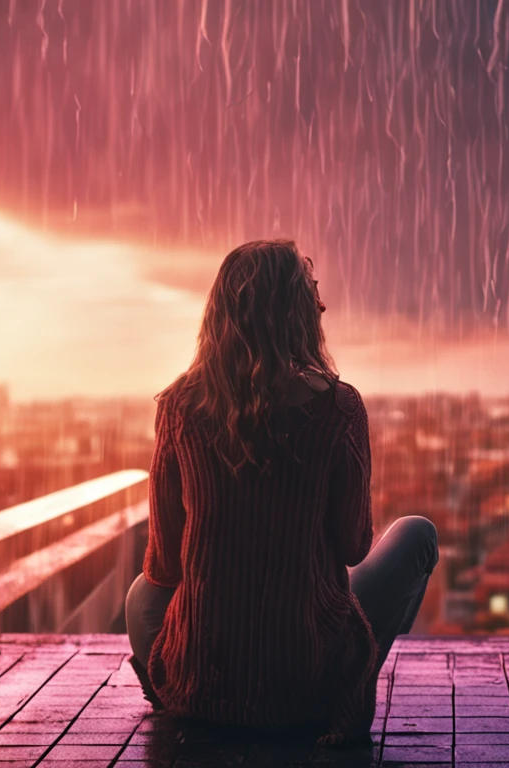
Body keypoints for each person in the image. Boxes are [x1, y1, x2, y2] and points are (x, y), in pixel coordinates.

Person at [124, 239, 438, 746]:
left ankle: (204, 690)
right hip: (305, 687)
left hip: (202, 685)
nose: (323, 307)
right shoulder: (338, 409)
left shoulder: (179, 406)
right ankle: (350, 679)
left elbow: (163, 567)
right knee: (417, 535)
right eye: (314, 298)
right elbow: (355, 546)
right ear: (299, 315)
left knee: (141, 592)